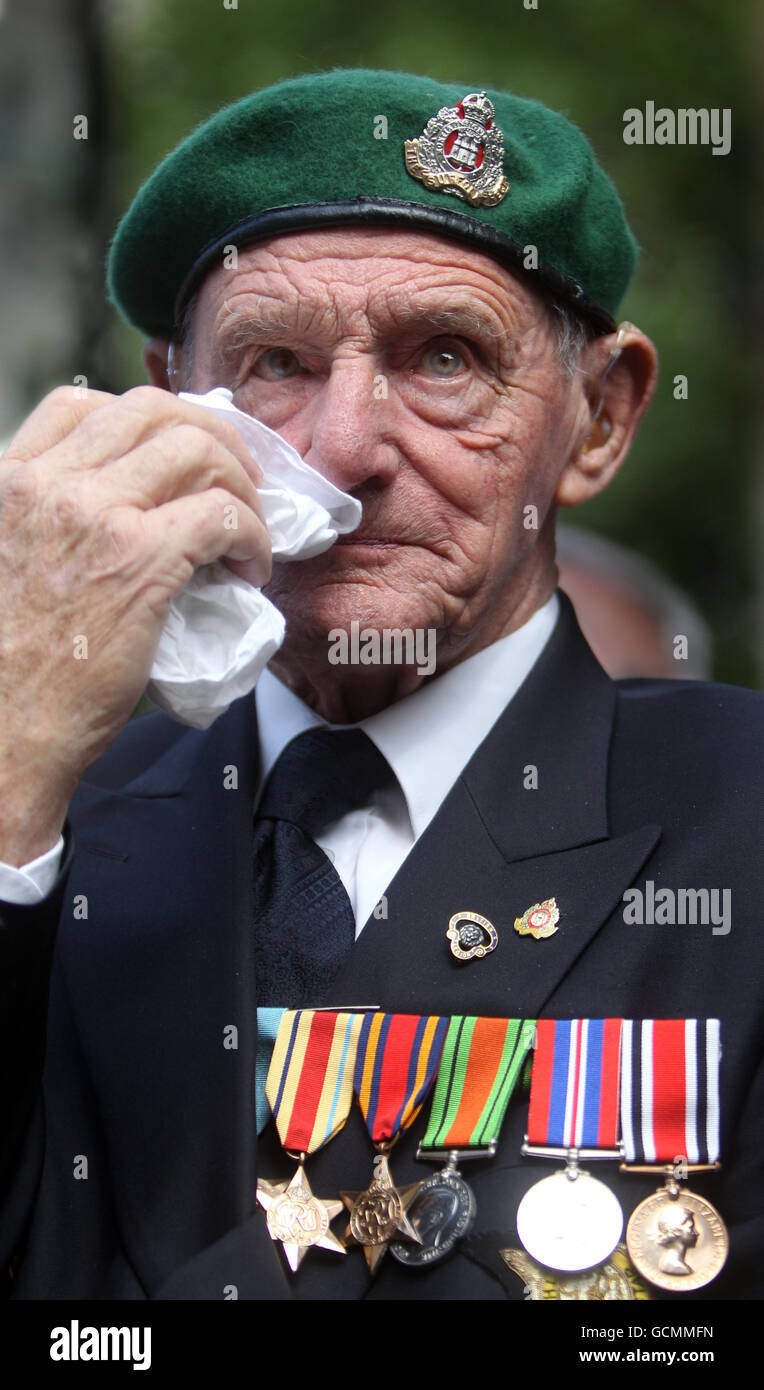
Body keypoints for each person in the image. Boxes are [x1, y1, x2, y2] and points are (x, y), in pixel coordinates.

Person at [0, 69, 761, 1303]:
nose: (342, 447)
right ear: (173, 401)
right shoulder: (49, 822)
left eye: (444, 358)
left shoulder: (741, 818)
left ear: (600, 419)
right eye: (274, 363)